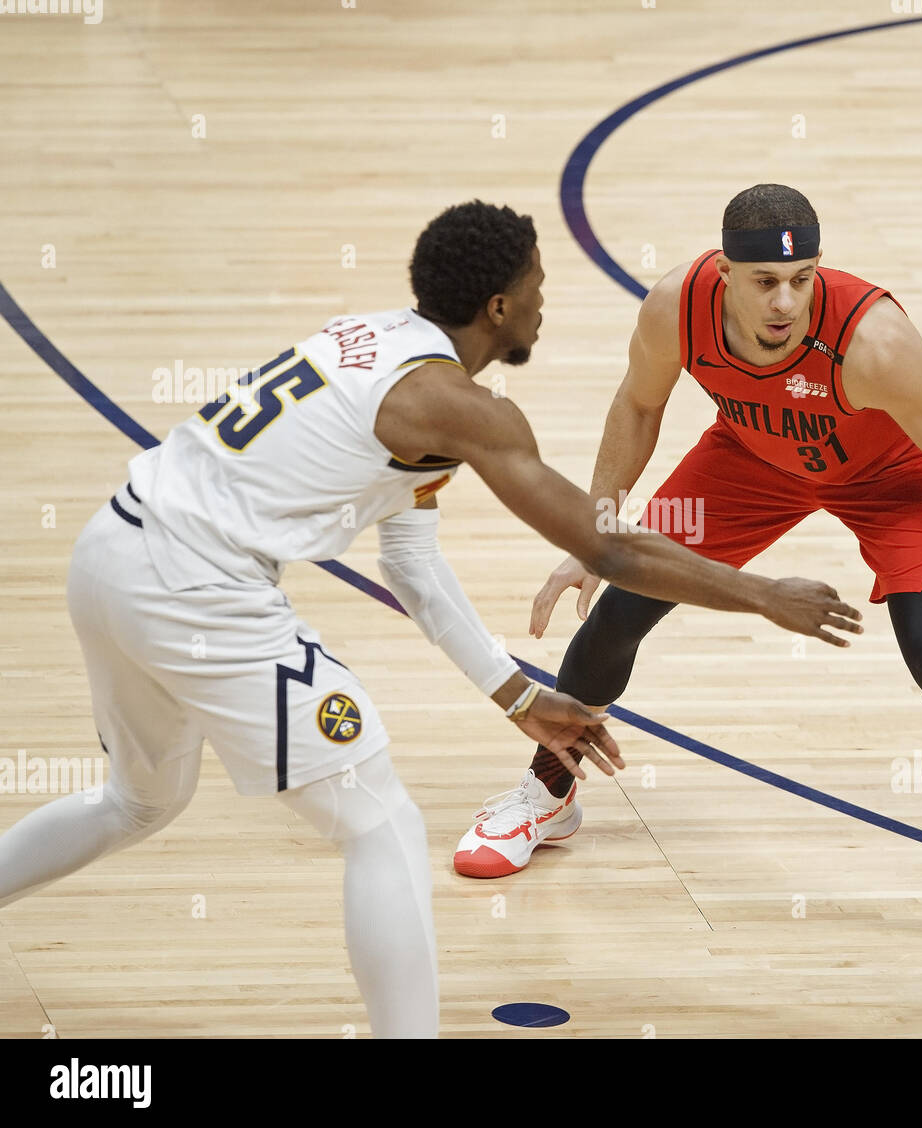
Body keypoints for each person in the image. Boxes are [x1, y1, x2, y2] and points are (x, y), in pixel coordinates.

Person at [0, 199, 862, 1038]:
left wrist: (518, 696)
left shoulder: (373, 345)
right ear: (498, 307)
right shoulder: (462, 409)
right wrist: (761, 595)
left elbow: (410, 563)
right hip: (195, 586)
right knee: (380, 822)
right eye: (535, 285)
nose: (542, 301)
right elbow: (611, 551)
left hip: (110, 552)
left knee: (140, 801)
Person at [454, 184, 922, 989]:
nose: (786, 300)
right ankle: (551, 791)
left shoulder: (876, 343)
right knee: (620, 606)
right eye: (763, 281)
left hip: (896, 474)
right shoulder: (674, 310)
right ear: (724, 272)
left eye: (802, 279)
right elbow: (639, 402)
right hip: (756, 456)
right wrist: (600, 530)